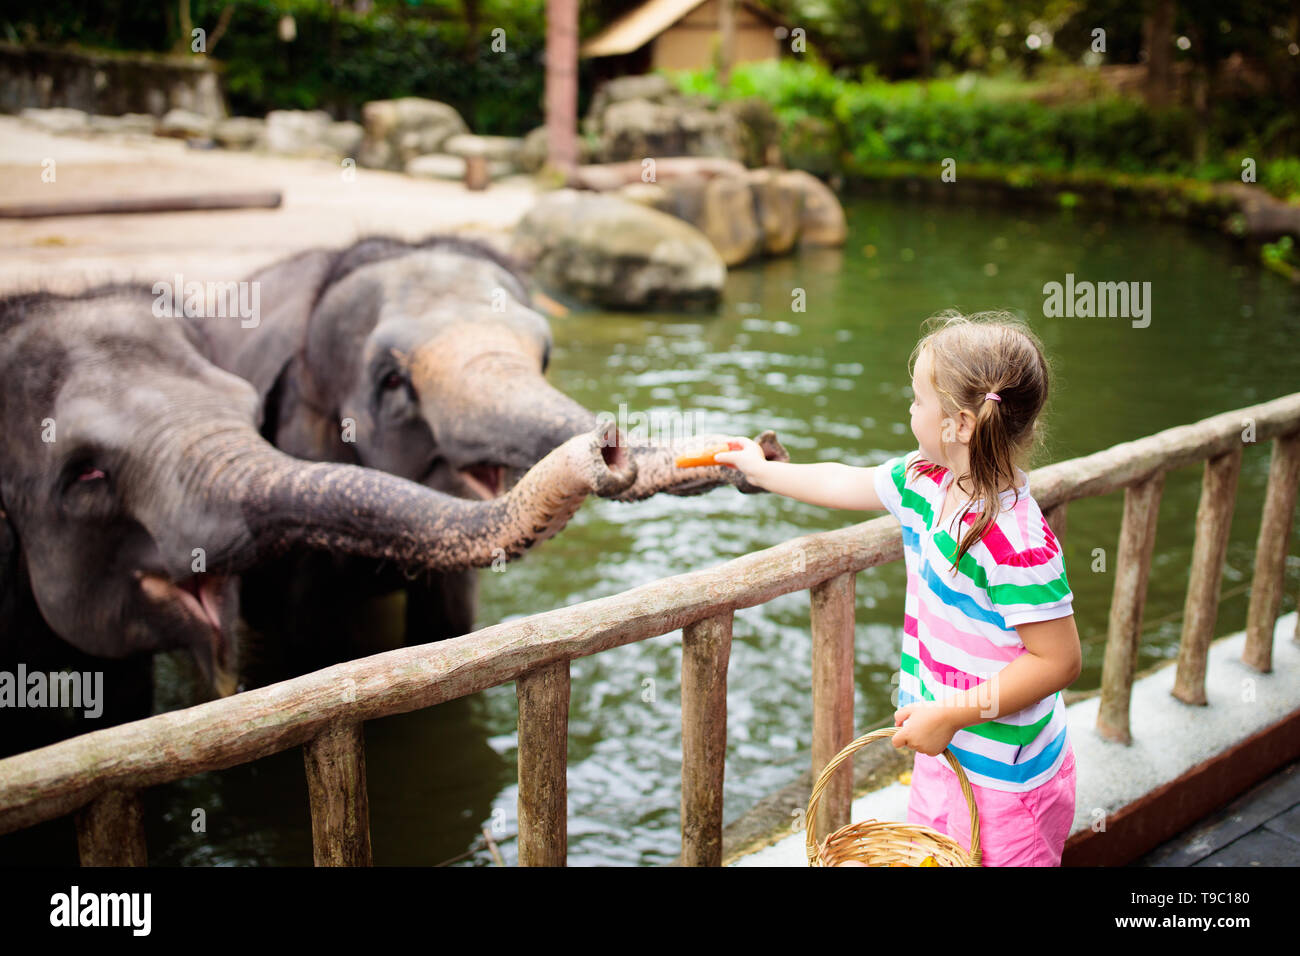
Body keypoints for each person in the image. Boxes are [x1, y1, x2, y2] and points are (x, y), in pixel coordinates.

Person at [712, 311, 1081, 867]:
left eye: (916, 401)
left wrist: (954, 712)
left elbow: (1059, 660)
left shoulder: (1017, 543)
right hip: (942, 747)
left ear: (958, 424)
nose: (909, 411)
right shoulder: (925, 483)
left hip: (1007, 777)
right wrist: (760, 471)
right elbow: (845, 479)